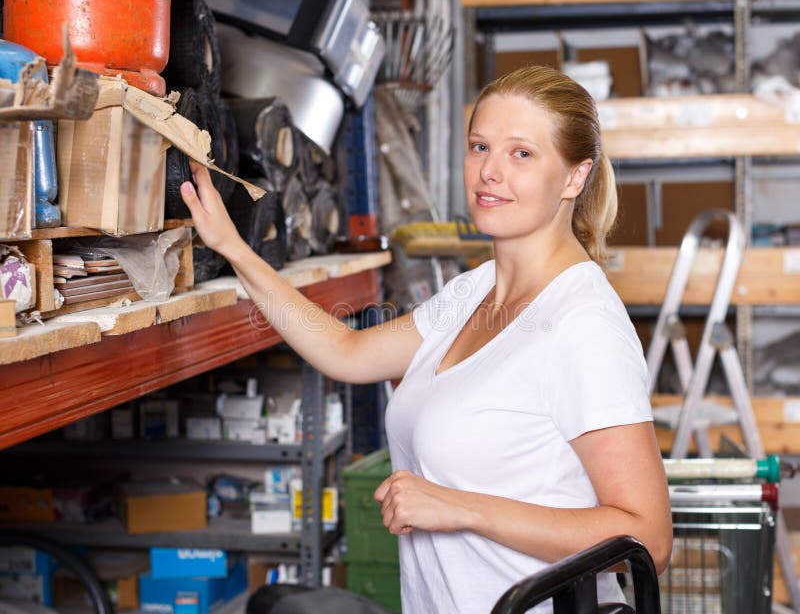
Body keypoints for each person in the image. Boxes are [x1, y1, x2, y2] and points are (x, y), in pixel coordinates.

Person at [181, 64, 672, 614]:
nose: (489, 171)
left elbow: (646, 539)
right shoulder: (473, 290)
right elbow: (346, 351)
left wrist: (462, 508)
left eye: (522, 154)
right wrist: (235, 250)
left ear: (575, 178)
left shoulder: (584, 324)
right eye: (479, 146)